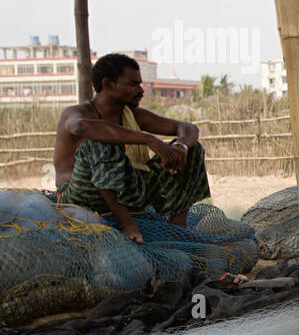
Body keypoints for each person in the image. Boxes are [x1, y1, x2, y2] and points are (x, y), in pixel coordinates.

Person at [54, 53, 209, 243]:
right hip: (82, 194)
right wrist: (150, 140)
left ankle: (178, 228)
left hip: (130, 188)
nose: (141, 90)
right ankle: (126, 222)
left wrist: (181, 146)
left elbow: (187, 128)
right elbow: (81, 127)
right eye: (133, 84)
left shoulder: (133, 115)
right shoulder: (77, 113)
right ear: (108, 84)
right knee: (101, 141)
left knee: (194, 149)